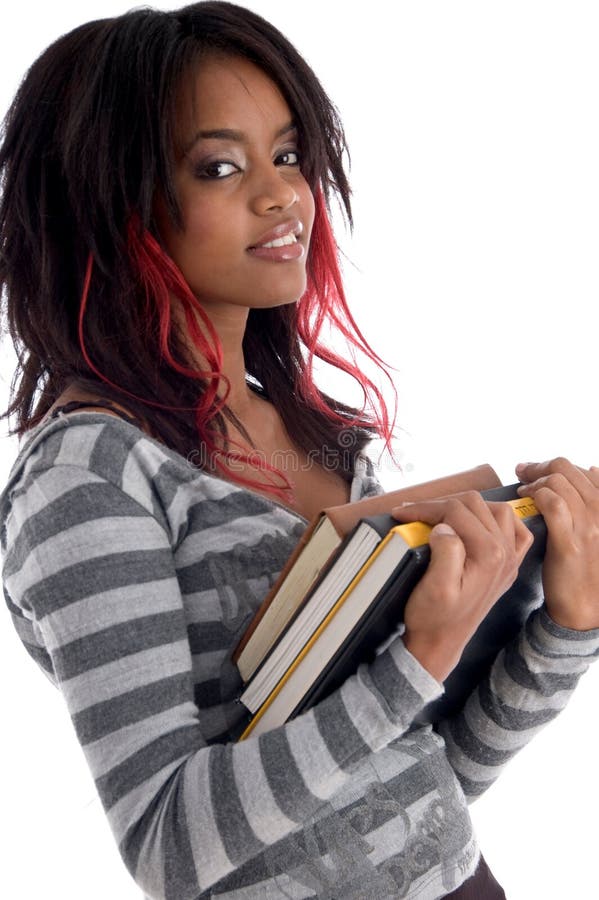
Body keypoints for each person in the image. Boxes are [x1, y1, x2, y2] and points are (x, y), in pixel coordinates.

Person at [1, 3, 598, 898]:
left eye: (286, 156)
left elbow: (406, 791)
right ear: (106, 200)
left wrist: (566, 629)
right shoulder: (87, 478)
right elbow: (167, 846)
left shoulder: (324, 437)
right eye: (218, 166)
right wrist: (415, 660)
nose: (283, 195)